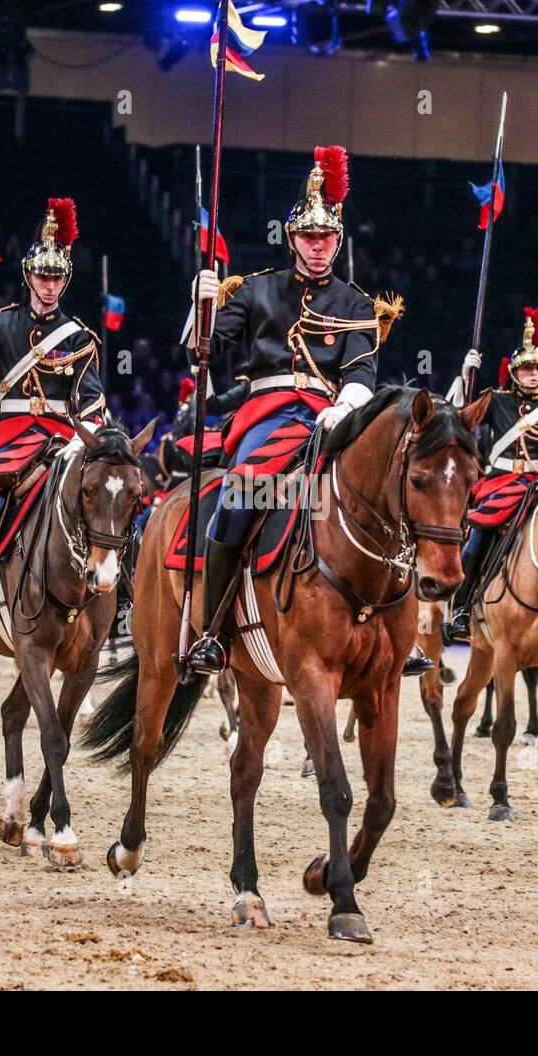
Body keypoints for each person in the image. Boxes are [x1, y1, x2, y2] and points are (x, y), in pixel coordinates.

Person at [181, 145, 408, 676]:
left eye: (327, 237)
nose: (318, 246)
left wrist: (346, 404)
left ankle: (402, 629)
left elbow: (361, 374)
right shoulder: (258, 289)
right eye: (309, 237)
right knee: (243, 489)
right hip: (268, 412)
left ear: (338, 239)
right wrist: (202, 304)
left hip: (334, 417)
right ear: (292, 239)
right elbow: (202, 350)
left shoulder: (355, 303)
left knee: (394, 491)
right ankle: (213, 629)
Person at [0, 198, 107, 635]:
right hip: (13, 432)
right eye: (42, 276)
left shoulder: (81, 338)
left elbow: (90, 399)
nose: (49, 285)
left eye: (56, 277)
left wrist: (85, 436)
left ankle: (114, 597)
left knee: (105, 498)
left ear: (65, 280)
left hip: (60, 435)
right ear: (28, 276)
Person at [444, 308, 538, 642]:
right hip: (500, 485)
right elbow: (457, 420)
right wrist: (464, 378)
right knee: (480, 534)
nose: (532, 374)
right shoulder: (496, 400)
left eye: (537, 368)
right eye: (526, 368)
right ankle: (462, 608)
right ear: (515, 373)